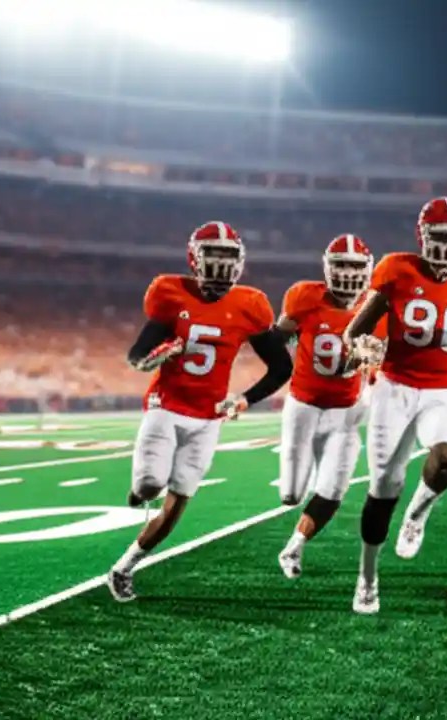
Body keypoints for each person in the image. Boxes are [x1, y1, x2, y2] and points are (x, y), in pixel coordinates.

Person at [107, 221, 292, 601]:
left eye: (228, 259)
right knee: (150, 485)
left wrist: (243, 399)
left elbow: (281, 367)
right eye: (214, 258)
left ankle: (123, 568)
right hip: (166, 406)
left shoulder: (250, 304)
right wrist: (159, 355)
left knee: (176, 506)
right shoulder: (169, 292)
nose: (221, 268)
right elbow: (136, 355)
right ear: (194, 258)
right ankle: (139, 490)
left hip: (208, 417)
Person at [342, 197, 447, 614]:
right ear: (423, 238)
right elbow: (356, 328)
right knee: (382, 490)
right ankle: (367, 578)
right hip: (394, 390)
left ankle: (418, 514)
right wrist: (361, 346)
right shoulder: (397, 269)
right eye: (441, 239)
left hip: (442, 391)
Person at [274, 234, 376, 579]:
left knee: (333, 488)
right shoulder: (304, 295)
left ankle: (294, 547)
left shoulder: (375, 306)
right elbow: (279, 337)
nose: (348, 272)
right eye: (341, 265)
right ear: (327, 269)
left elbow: (384, 353)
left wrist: (374, 357)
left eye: (355, 266)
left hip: (345, 411)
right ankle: (298, 487)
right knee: (290, 494)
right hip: (303, 406)